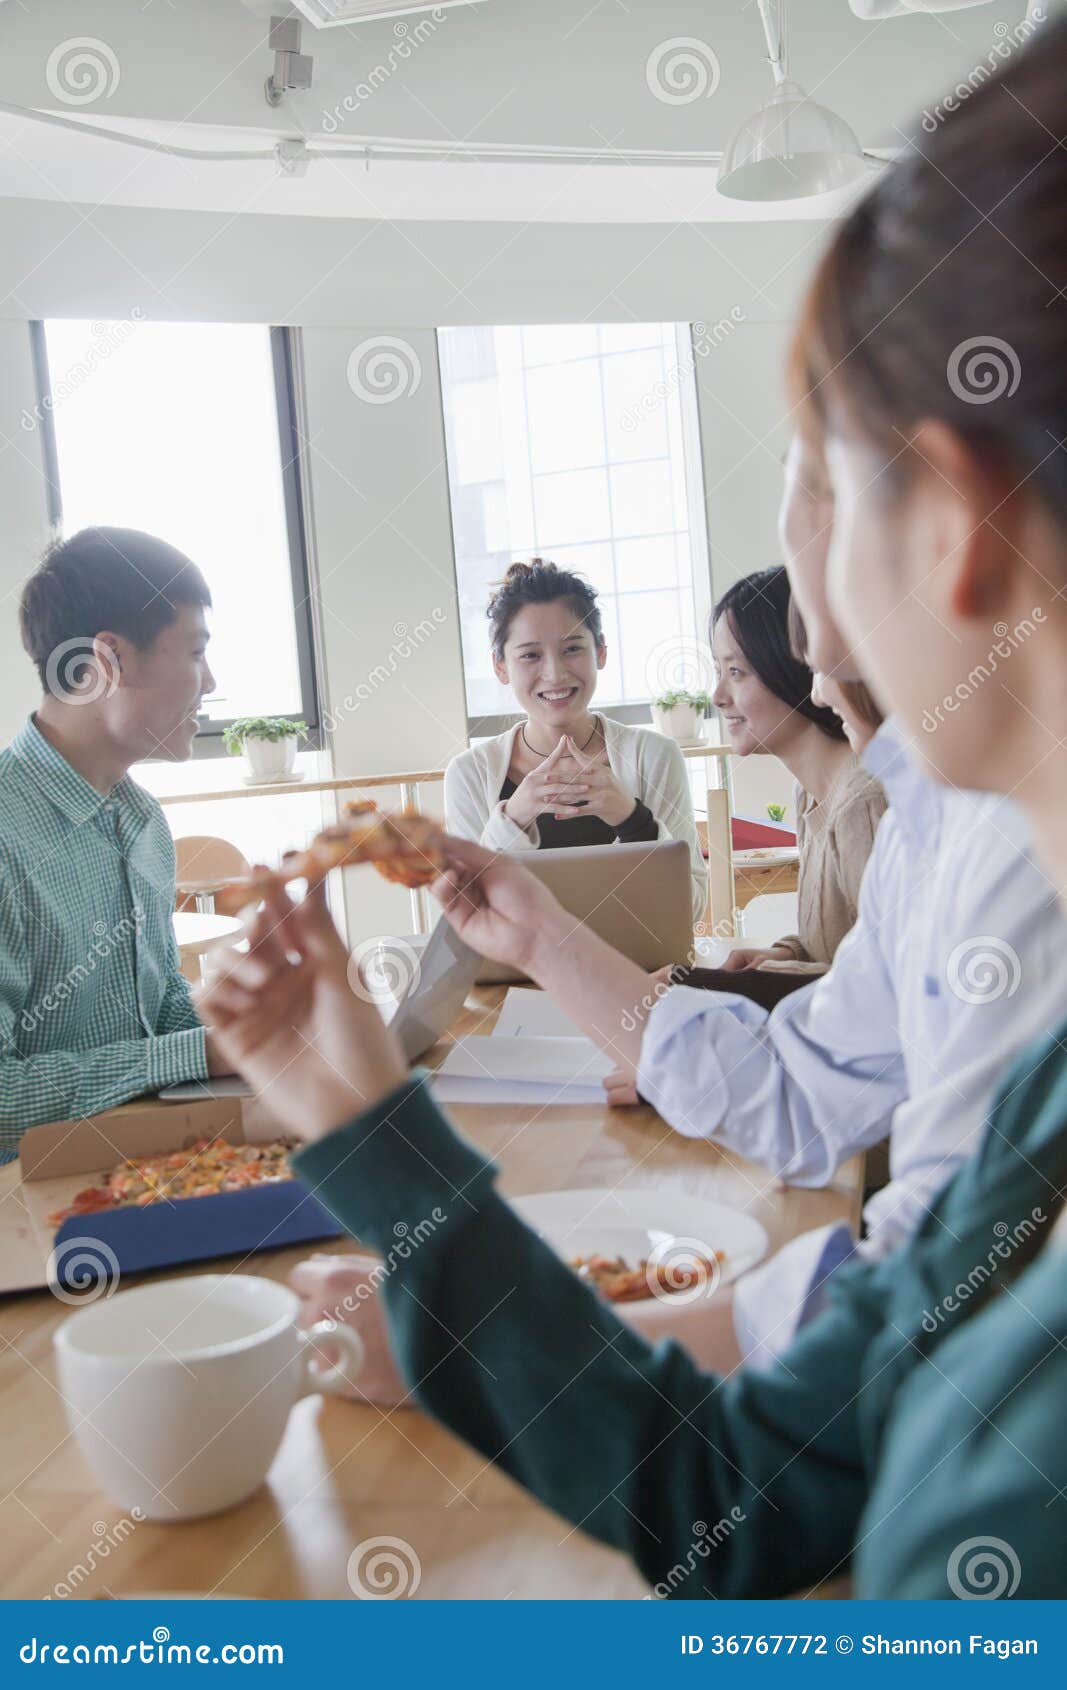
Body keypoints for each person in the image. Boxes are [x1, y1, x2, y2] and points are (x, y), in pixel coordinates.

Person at [202, 19, 1067, 1596]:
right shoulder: (1021, 1067)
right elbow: (744, 1481)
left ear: (945, 528)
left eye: (817, 472)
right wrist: (387, 1108)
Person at [0, 526, 229, 1161]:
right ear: (107, 662)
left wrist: (253, 1034)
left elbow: (161, 1007)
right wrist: (200, 1052)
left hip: (152, 1171)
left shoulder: (144, 822)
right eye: (195, 652)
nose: (210, 682)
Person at [444, 559, 707, 921]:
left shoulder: (654, 755)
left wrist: (633, 821)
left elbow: (691, 909)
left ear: (601, 651)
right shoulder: (470, 773)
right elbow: (470, 915)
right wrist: (513, 819)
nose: (554, 674)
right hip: (525, 961)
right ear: (500, 667)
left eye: (572, 649)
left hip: (635, 958)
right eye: (530, 655)